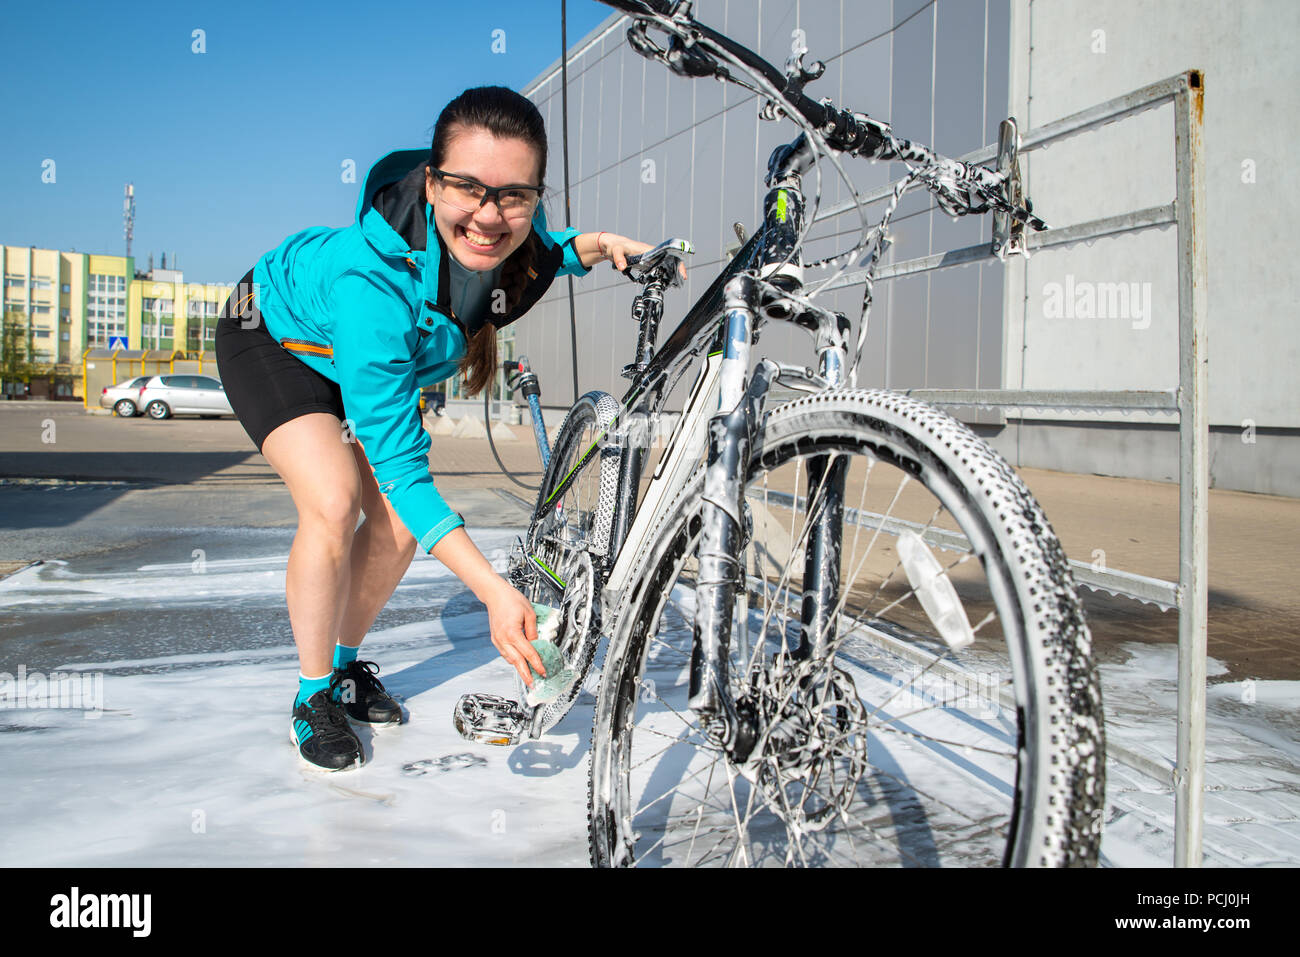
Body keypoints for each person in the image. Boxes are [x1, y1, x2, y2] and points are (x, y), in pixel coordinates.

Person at [214, 86, 670, 771]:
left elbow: (555, 250)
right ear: (431, 183)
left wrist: (606, 245)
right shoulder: (372, 282)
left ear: (534, 195)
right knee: (335, 501)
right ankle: (312, 698)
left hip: (358, 358)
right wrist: (493, 590)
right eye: (468, 188)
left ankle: (343, 667)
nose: (490, 216)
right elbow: (400, 470)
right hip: (274, 334)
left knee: (398, 528)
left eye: (514, 195)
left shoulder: (513, 241)